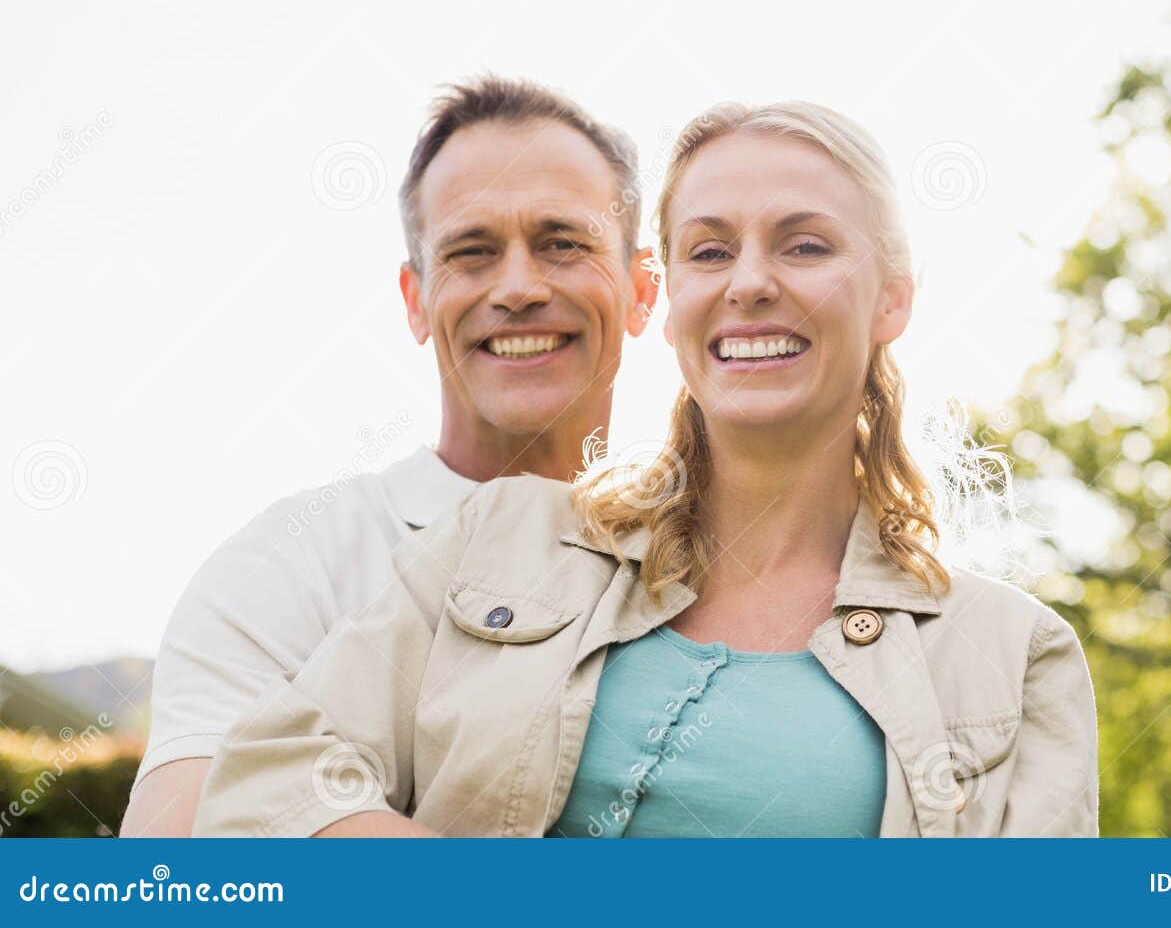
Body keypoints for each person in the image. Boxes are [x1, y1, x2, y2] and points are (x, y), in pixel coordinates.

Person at [193, 101, 1098, 837]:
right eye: (710, 250)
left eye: (805, 244)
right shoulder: (501, 536)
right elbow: (263, 788)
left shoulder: (1015, 654)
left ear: (894, 293)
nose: (748, 282)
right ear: (668, 305)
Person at [119, 76, 658, 836]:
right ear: (415, 299)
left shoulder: (728, 557)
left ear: (641, 290)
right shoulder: (291, 563)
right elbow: (176, 871)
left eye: (561, 243)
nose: (517, 286)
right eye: (472, 252)